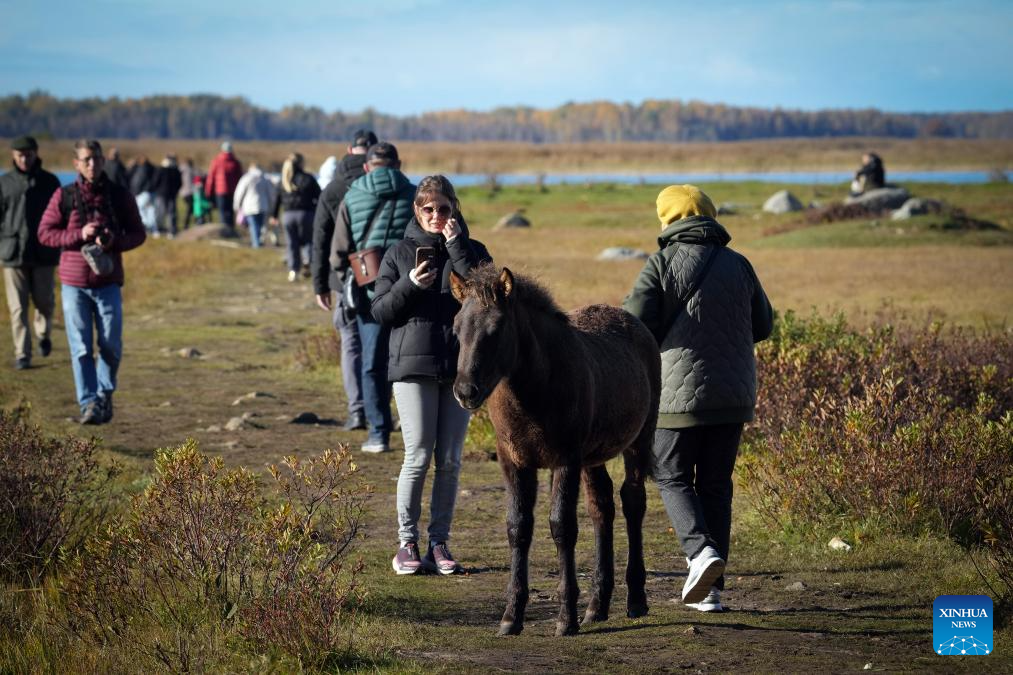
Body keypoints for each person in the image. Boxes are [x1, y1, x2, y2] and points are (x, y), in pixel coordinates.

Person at [623, 184, 773, 613]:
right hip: (733, 396)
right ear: (709, 215)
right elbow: (763, 325)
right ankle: (710, 592)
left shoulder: (662, 263)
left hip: (676, 396)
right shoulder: (740, 265)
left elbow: (635, 324)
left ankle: (700, 553)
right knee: (715, 485)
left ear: (667, 220)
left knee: (670, 475)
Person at [372, 175, 491, 575]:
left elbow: (485, 297)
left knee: (452, 460)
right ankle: (407, 543)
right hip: (414, 368)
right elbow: (381, 312)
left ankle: (439, 543)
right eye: (429, 209)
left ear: (455, 208)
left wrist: (457, 247)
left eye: (444, 208)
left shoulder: (473, 251)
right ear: (417, 212)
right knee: (418, 456)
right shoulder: (399, 253)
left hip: (461, 368)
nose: (437, 215)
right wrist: (409, 284)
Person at [37, 139, 147, 424]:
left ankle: (105, 394)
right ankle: (88, 403)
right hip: (74, 284)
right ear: (76, 163)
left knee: (110, 345)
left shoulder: (119, 195)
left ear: (103, 161)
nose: (92, 164)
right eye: (86, 159)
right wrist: (79, 234)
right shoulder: (64, 196)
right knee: (82, 347)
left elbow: (138, 234)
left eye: (96, 159)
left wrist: (113, 241)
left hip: (108, 282)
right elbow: (45, 233)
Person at [330, 141, 415, 453]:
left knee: (372, 363)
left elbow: (338, 252)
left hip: (369, 292)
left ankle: (378, 434)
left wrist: (350, 278)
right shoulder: (415, 194)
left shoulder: (352, 196)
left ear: (367, 167)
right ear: (399, 164)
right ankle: (412, 431)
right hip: (411, 290)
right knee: (409, 362)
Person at [312, 129, 377, 432]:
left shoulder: (333, 188)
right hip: (380, 275)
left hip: (342, 279)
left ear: (348, 149)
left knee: (350, 345)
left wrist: (320, 284)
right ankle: (379, 412)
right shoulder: (385, 185)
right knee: (379, 345)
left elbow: (321, 239)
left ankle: (357, 412)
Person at [0, 136, 61, 370]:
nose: (24, 159)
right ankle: (22, 353)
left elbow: (60, 216)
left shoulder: (50, 182)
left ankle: (44, 334)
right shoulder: (5, 183)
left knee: (44, 302)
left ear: (36, 154)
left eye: (28, 154)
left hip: (44, 252)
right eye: (20, 155)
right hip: (12, 253)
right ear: (13, 156)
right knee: (17, 307)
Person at [271, 152, 320, 281]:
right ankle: (308, 261)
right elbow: (319, 196)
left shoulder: (283, 180)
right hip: (306, 214)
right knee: (308, 241)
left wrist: (274, 215)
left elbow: (277, 199)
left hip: (288, 216)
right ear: (301, 163)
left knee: (292, 243)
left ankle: (293, 270)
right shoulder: (308, 178)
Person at [232, 162, 274, 248]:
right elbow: (271, 194)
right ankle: (257, 242)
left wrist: (237, 205)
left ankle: (256, 244)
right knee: (259, 226)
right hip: (263, 206)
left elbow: (239, 193)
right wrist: (271, 206)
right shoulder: (265, 179)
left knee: (254, 226)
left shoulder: (246, 178)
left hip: (249, 206)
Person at [205, 141, 243, 234]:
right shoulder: (236, 163)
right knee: (230, 212)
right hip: (233, 191)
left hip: (220, 191)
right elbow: (240, 178)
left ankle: (224, 231)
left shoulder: (216, 161)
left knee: (222, 211)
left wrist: (208, 192)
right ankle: (231, 230)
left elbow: (211, 178)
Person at [154, 155, 182, 239]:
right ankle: (168, 231)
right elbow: (179, 183)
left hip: (163, 194)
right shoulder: (175, 170)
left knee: (163, 213)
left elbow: (155, 182)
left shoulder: (161, 169)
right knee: (169, 213)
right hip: (167, 194)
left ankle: (161, 230)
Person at [128, 155, 158, 235]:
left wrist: (136, 191)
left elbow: (139, 181)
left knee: (140, 208)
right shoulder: (153, 168)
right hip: (152, 192)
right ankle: (154, 229)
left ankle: (146, 225)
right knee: (151, 210)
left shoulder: (142, 169)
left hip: (143, 192)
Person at [178, 158, 195, 230]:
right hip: (189, 192)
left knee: (191, 208)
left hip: (183, 193)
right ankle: (186, 224)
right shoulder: (189, 170)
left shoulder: (180, 170)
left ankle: (187, 224)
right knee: (190, 208)